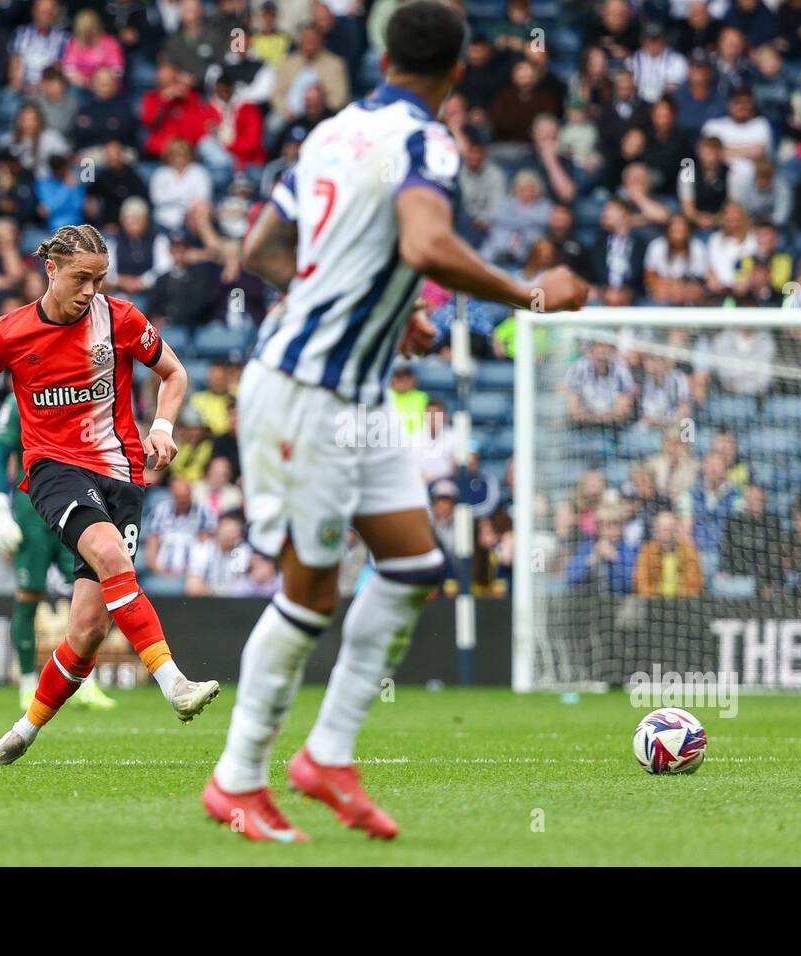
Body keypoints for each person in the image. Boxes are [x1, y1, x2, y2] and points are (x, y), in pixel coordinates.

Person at [204, 0, 588, 843]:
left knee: (415, 565)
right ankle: (238, 779)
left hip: (357, 395)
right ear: (458, 72)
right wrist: (530, 294)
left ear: (383, 56)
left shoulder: (332, 132)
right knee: (310, 592)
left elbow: (265, 250)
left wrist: (379, 308)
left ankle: (327, 758)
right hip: (310, 391)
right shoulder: (428, 141)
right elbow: (424, 244)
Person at [0, 223, 220, 765]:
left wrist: (164, 426)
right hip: (54, 470)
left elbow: (173, 374)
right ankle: (174, 683)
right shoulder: (10, 333)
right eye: (82, 278)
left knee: (86, 628)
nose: (91, 290)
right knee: (106, 554)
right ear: (51, 269)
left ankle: (20, 736)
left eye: (100, 279)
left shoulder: (122, 319)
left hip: (123, 475)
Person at [0, 389, 115, 712]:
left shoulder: (76, 391)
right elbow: (1, 456)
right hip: (32, 506)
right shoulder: (18, 401)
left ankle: (87, 682)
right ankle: (28, 685)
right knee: (29, 594)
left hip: (75, 500)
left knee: (87, 592)